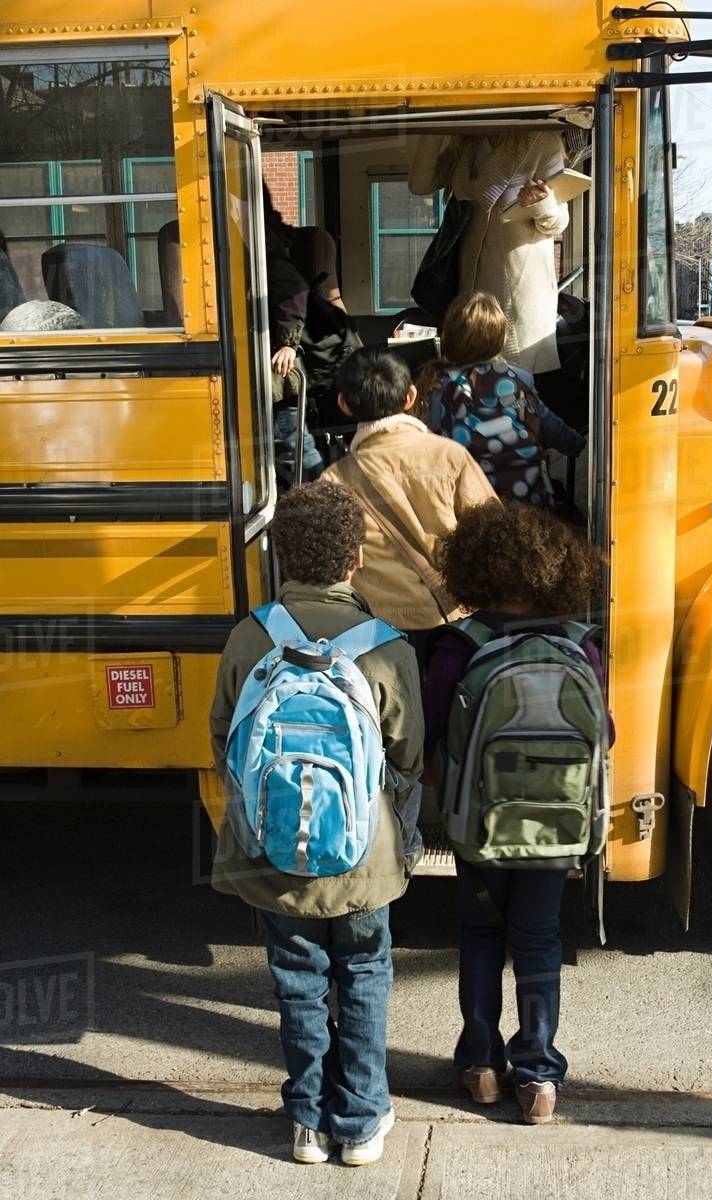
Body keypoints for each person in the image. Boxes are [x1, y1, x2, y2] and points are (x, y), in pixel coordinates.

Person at [209, 480, 423, 1166]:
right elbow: (411, 755)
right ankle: (360, 1123)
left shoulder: (251, 637)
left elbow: (224, 743)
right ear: (355, 560)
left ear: (282, 559)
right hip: (364, 855)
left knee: (297, 979)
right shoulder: (387, 646)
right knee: (363, 971)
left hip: (273, 853)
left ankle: (306, 1120)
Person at [422, 501, 612, 1125]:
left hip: (480, 824)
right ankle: (537, 1077)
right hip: (557, 827)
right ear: (558, 573)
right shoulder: (580, 647)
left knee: (480, 936)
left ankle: (479, 1065)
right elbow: (602, 734)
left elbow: (432, 727)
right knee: (539, 941)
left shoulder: (460, 644)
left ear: (475, 569)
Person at [321, 346, 498, 655]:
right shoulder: (450, 456)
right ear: (410, 397)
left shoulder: (333, 480)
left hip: (374, 633)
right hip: (452, 623)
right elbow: (494, 533)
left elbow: (331, 571)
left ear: (344, 405)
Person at [409, 131, 568, 377]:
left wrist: (541, 202)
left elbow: (559, 221)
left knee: (516, 389)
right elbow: (420, 184)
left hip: (518, 294)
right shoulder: (466, 146)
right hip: (470, 292)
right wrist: (434, 127)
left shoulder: (539, 141)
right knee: (471, 385)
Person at [422, 290, 585, 505]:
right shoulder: (518, 380)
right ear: (500, 338)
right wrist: (577, 444)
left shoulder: (434, 386)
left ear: (449, 336)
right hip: (526, 506)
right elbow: (554, 430)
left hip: (465, 506)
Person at [263, 186, 359, 483]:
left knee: (294, 446)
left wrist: (288, 343)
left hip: (283, 376)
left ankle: (322, 500)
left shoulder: (268, 253)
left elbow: (293, 294)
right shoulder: (270, 246)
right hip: (280, 375)